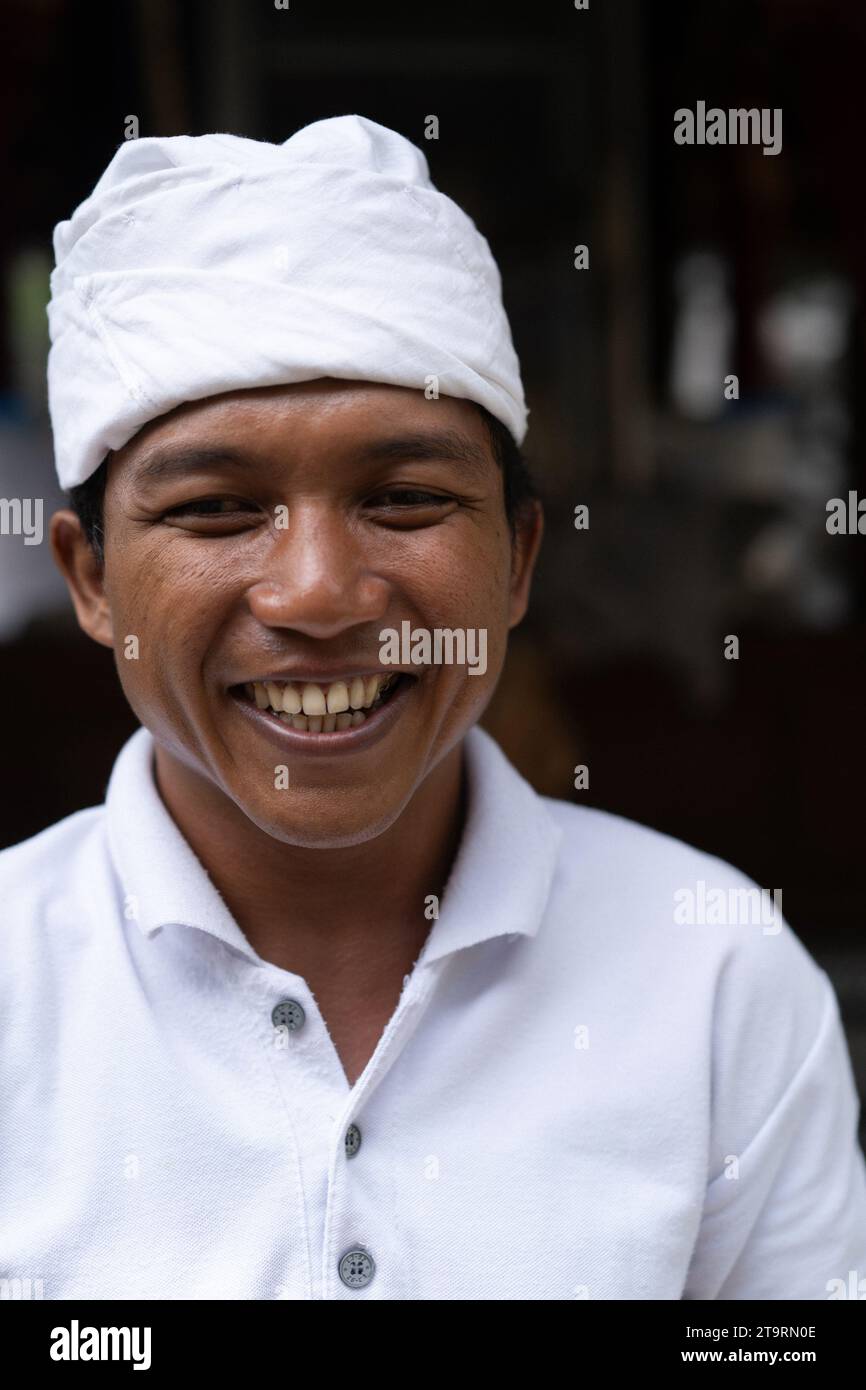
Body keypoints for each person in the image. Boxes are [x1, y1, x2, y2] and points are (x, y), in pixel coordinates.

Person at [1, 115, 864, 1302]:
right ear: (91, 578)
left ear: (515, 563)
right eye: (213, 508)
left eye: (402, 497)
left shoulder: (715, 977)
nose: (314, 593)